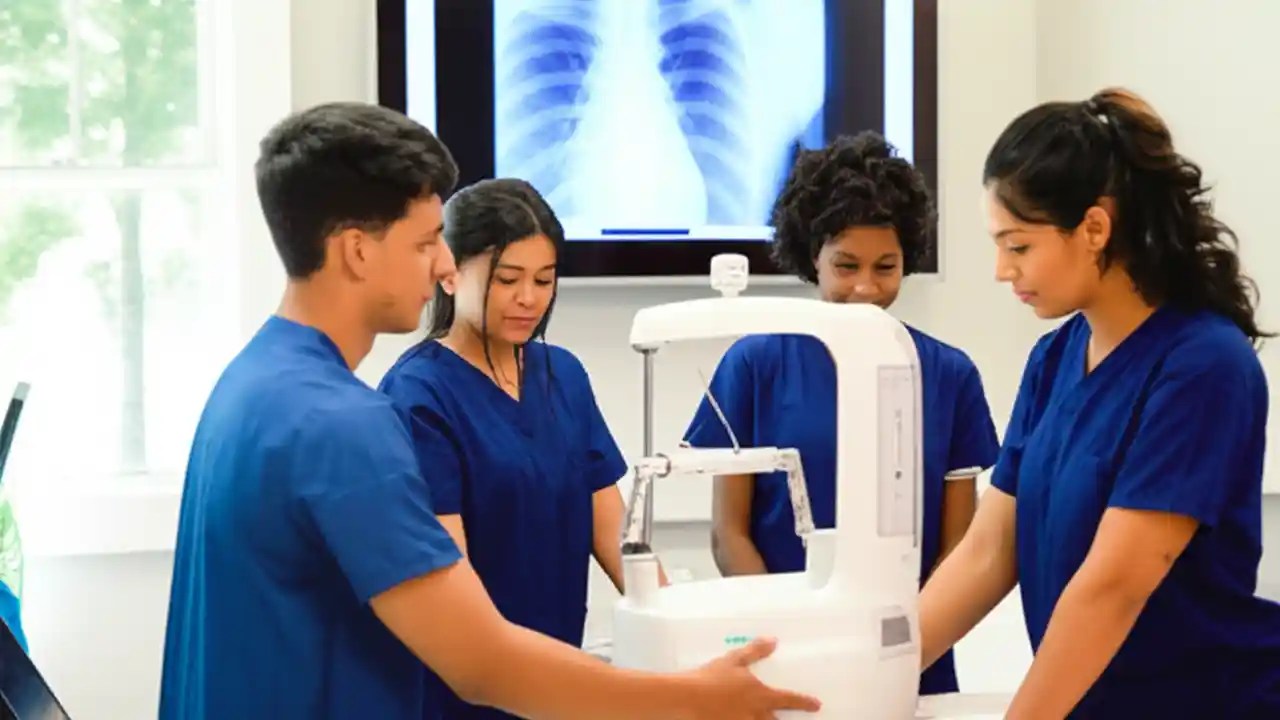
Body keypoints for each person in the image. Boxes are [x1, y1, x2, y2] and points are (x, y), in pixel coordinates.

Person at [158, 101, 821, 720]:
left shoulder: (250, 385)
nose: (444, 263)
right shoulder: (345, 424)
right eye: (425, 243)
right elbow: (481, 662)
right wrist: (690, 698)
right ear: (357, 250)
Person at [918, 87, 1280, 718]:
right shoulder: (1053, 359)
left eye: (1019, 245)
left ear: (1093, 228)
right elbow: (987, 552)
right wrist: (868, 672)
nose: (1003, 270)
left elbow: (1112, 587)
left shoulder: (1204, 366)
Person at [683, 131, 1001, 696]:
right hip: (784, 656)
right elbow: (727, 534)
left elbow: (960, 551)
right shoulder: (755, 363)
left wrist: (903, 648)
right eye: (845, 265)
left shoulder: (950, 375)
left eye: (886, 267)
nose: (865, 287)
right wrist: (794, 636)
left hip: (915, 662)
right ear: (813, 257)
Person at [377, 177, 650, 719]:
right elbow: (451, 595)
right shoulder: (419, 396)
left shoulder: (562, 375)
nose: (529, 298)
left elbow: (616, 534)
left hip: (555, 679)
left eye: (544, 280)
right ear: (451, 273)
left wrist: (675, 621)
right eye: (507, 280)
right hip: (466, 690)